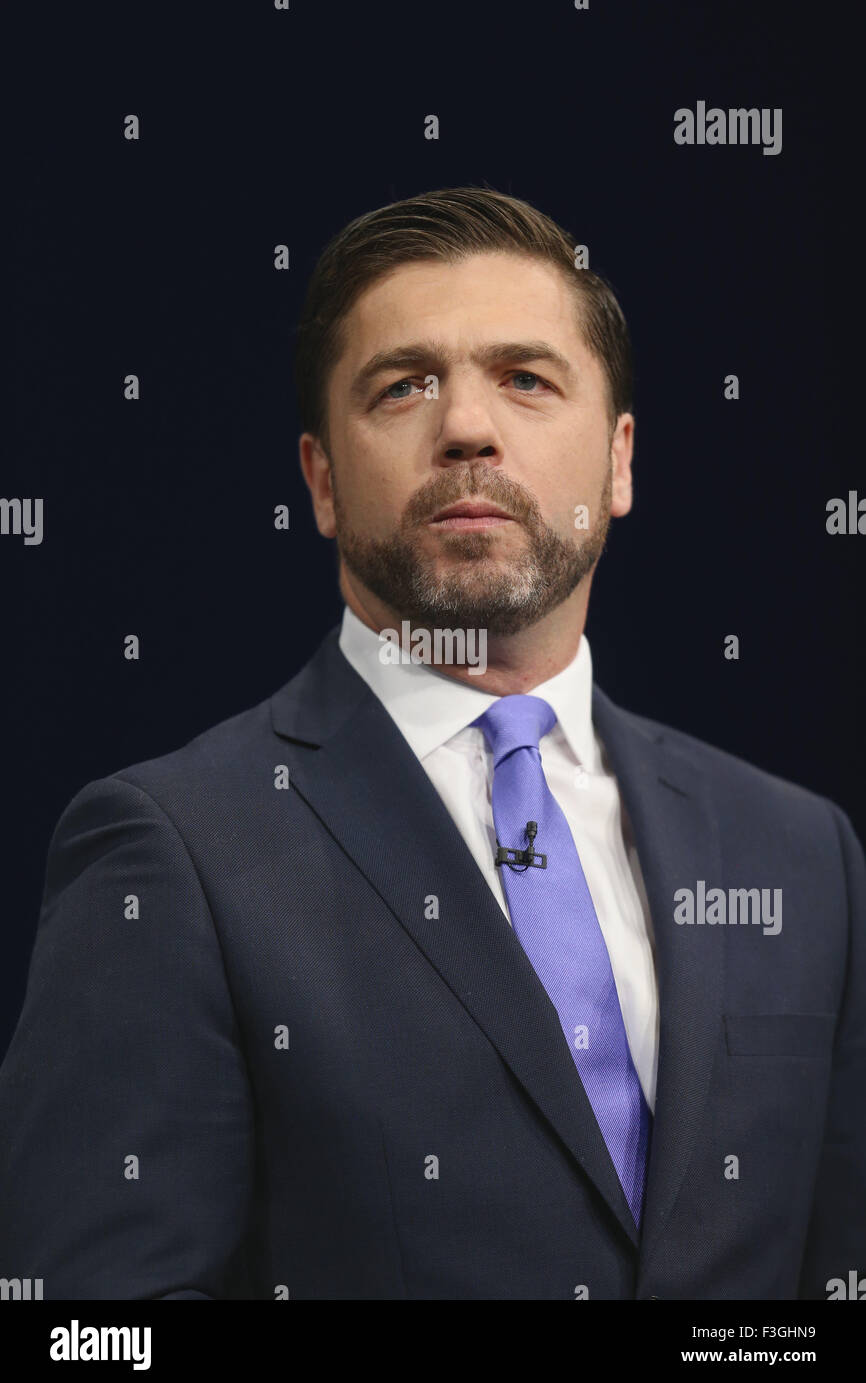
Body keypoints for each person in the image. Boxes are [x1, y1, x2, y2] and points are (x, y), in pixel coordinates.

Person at [1, 188, 863, 1300]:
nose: (464, 425)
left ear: (617, 463)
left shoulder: (797, 853)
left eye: (525, 378)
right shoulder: (170, 849)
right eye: (403, 383)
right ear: (319, 480)